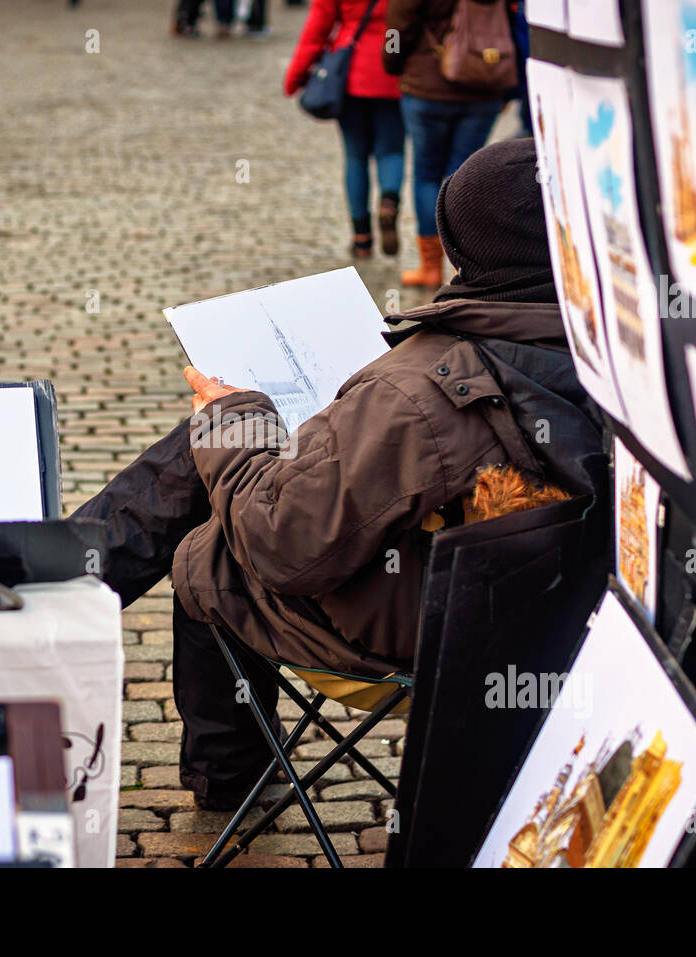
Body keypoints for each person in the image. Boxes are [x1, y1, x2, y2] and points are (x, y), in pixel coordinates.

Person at [72, 139, 605, 808]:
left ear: (466, 241)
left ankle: (223, 768)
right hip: (541, 615)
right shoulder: (618, 351)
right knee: (221, 447)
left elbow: (280, 540)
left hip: (425, 635)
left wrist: (232, 415)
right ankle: (61, 574)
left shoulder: (427, 390)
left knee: (205, 545)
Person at [383, 0, 508, 287]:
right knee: (464, 177)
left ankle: (430, 268)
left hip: (427, 85)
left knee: (427, 174)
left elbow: (398, 27)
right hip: (483, 81)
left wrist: (393, 63)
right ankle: (461, 268)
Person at [284, 0, 404, 258]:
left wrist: (295, 76)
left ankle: (361, 239)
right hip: (394, 70)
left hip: (350, 72)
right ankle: (389, 203)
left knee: (355, 156)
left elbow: (317, 28)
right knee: (391, 150)